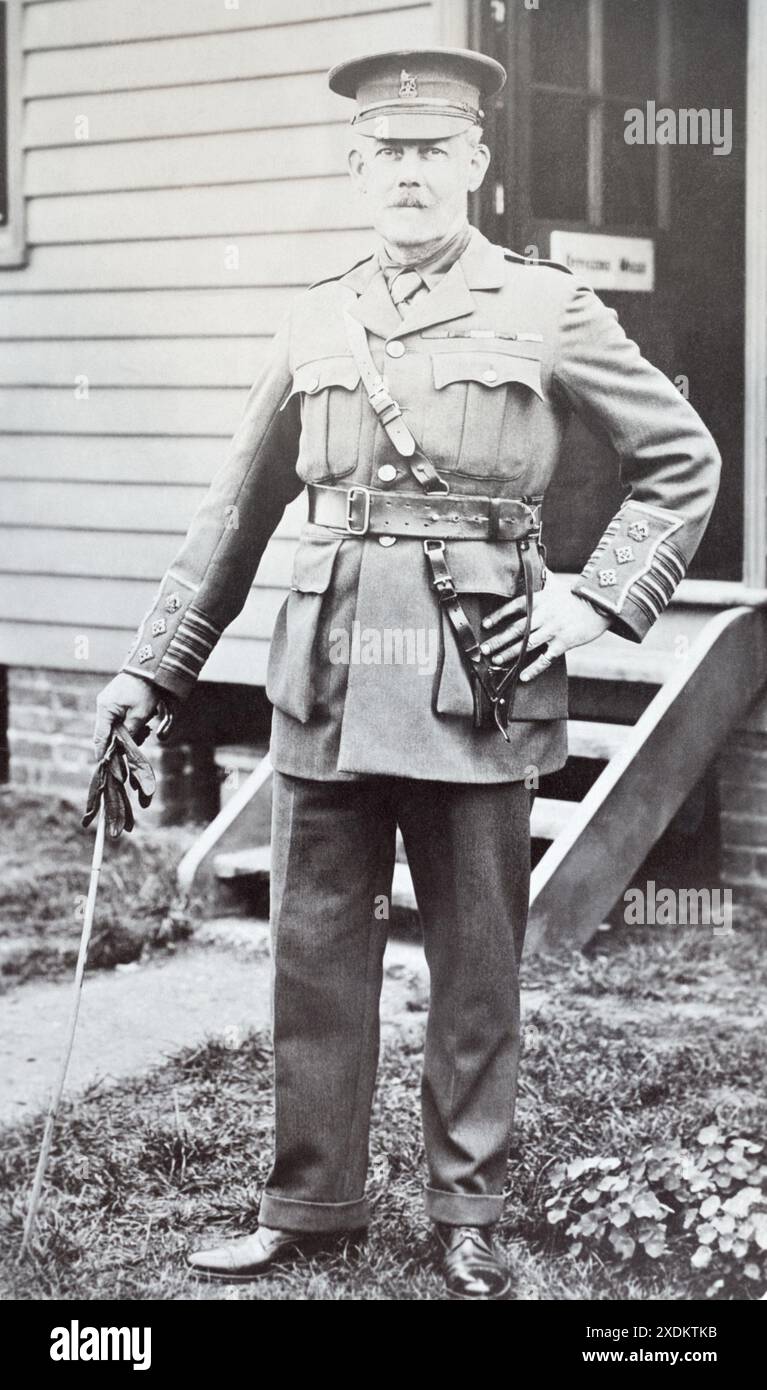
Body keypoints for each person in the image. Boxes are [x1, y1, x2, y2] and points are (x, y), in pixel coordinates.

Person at [93, 47, 721, 1300]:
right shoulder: (316, 315)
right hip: (324, 672)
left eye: (434, 151)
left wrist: (592, 601)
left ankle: (466, 1209)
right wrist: (150, 675)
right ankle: (309, 1202)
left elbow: (680, 457)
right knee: (314, 946)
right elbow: (238, 508)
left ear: (477, 166)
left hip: (476, 669)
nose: (409, 173)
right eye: (387, 153)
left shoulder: (544, 305)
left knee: (474, 954)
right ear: (355, 167)